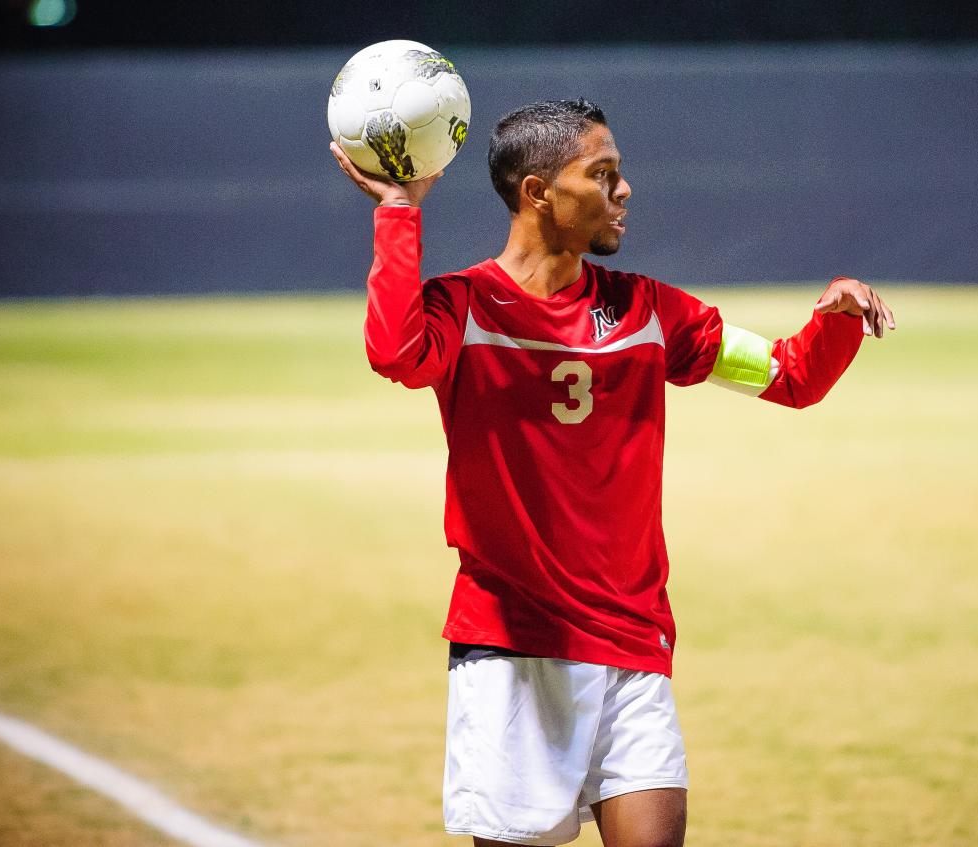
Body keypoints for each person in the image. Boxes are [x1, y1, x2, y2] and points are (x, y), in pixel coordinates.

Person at [330, 98, 894, 847]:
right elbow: (394, 351)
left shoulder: (651, 314)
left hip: (633, 644)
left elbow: (792, 377)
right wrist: (398, 210)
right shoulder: (465, 308)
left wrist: (836, 319)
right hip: (513, 650)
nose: (624, 191)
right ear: (538, 193)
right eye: (603, 174)